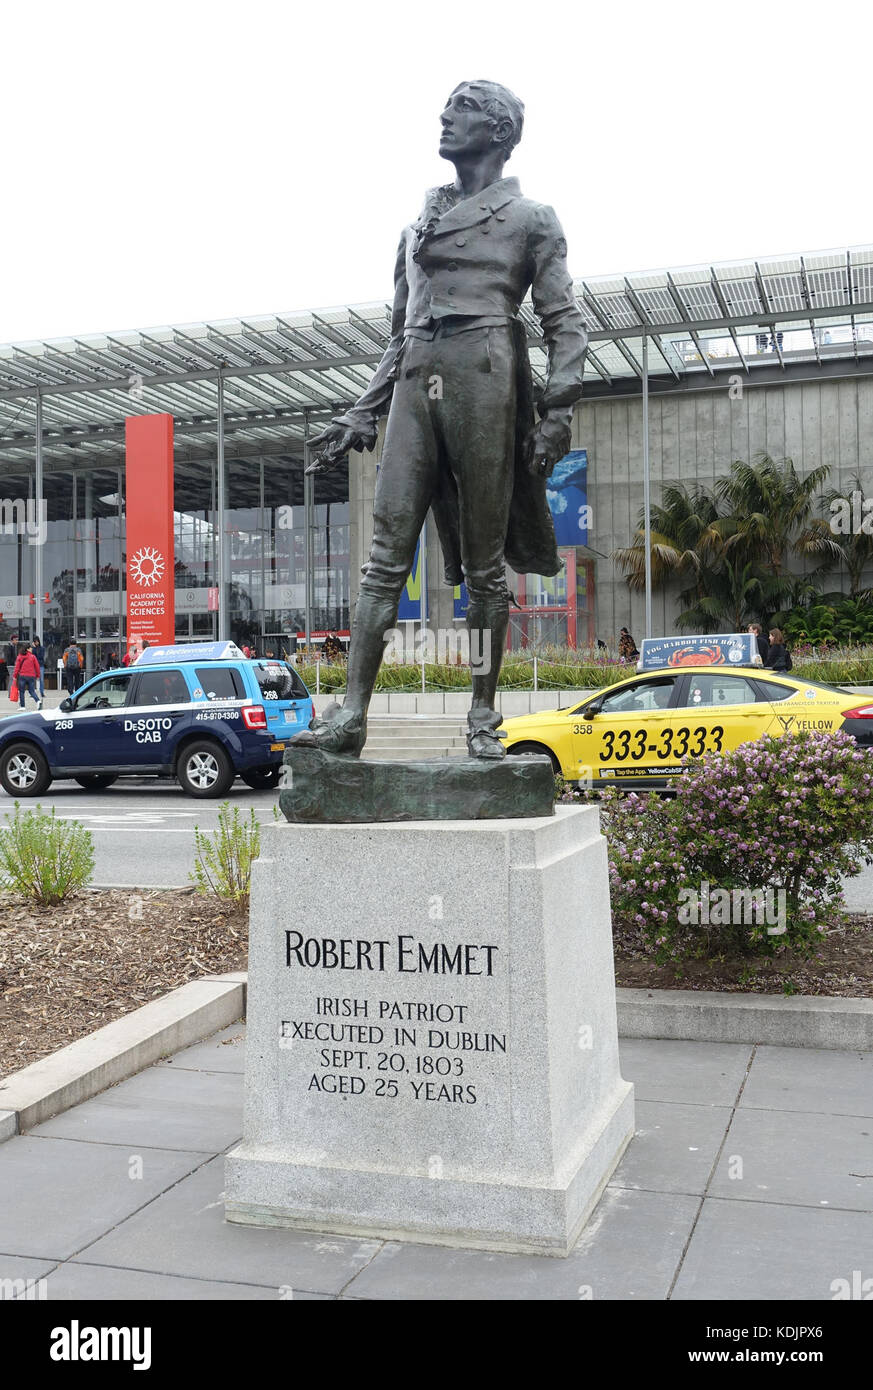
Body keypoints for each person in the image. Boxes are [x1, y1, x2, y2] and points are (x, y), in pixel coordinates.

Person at [293, 80, 587, 759]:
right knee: (382, 559)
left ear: (499, 130)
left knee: (485, 569)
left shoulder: (530, 218)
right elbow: (398, 337)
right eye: (447, 109)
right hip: (415, 383)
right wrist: (360, 412)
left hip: (483, 372)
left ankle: (482, 717)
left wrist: (558, 408)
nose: (445, 119)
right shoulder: (413, 227)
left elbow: (562, 322)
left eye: (461, 110)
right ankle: (352, 716)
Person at [12, 643, 41, 709]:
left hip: (23, 676)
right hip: (32, 676)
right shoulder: (33, 657)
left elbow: (17, 667)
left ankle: (22, 706)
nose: (32, 649)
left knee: (22, 691)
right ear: (27, 649)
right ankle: (38, 701)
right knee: (31, 691)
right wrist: (38, 675)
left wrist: (15, 676)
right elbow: (37, 667)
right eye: (31, 648)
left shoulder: (19, 656)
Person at [31, 633, 46, 700]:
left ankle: (42, 692)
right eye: (35, 642)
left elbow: (40, 656)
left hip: (40, 665)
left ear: (39, 641)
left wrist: (35, 652)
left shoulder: (42, 648)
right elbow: (32, 656)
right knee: (32, 680)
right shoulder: (33, 649)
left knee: (41, 680)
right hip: (33, 666)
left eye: (37, 641)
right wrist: (34, 648)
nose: (36, 643)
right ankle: (32, 692)